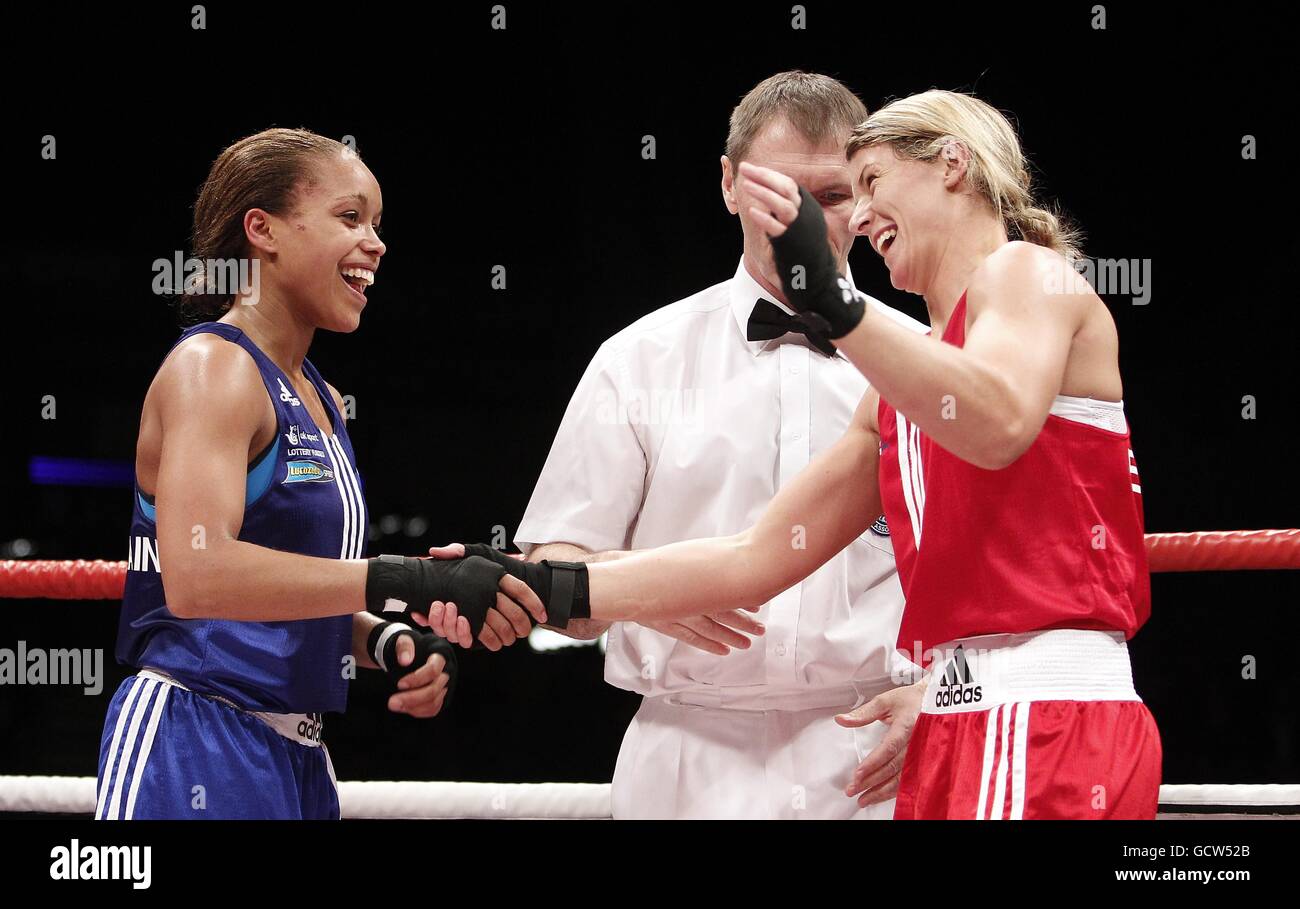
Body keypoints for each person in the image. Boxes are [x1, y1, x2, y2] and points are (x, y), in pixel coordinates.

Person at [424, 90, 1161, 819]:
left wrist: (839, 308)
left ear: (952, 163)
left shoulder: (1026, 273)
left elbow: (997, 423)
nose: (861, 215)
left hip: (1032, 716)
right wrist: (528, 580)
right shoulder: (892, 383)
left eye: (865, 184)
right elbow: (753, 559)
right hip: (946, 719)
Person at [424, 72, 930, 820]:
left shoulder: (923, 362)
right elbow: (557, 586)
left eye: (829, 197)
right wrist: (645, 591)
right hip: (686, 756)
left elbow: (981, 577)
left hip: (873, 751)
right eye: (778, 196)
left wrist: (942, 692)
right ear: (729, 185)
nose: (803, 224)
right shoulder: (639, 359)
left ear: (865, 194)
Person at [95, 128, 546, 820]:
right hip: (192, 732)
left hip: (297, 751)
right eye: (349, 217)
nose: (376, 242)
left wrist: (386, 638)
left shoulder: (322, 398)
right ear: (263, 230)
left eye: (377, 223)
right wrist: (407, 576)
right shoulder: (214, 368)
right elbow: (197, 574)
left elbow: (288, 586)